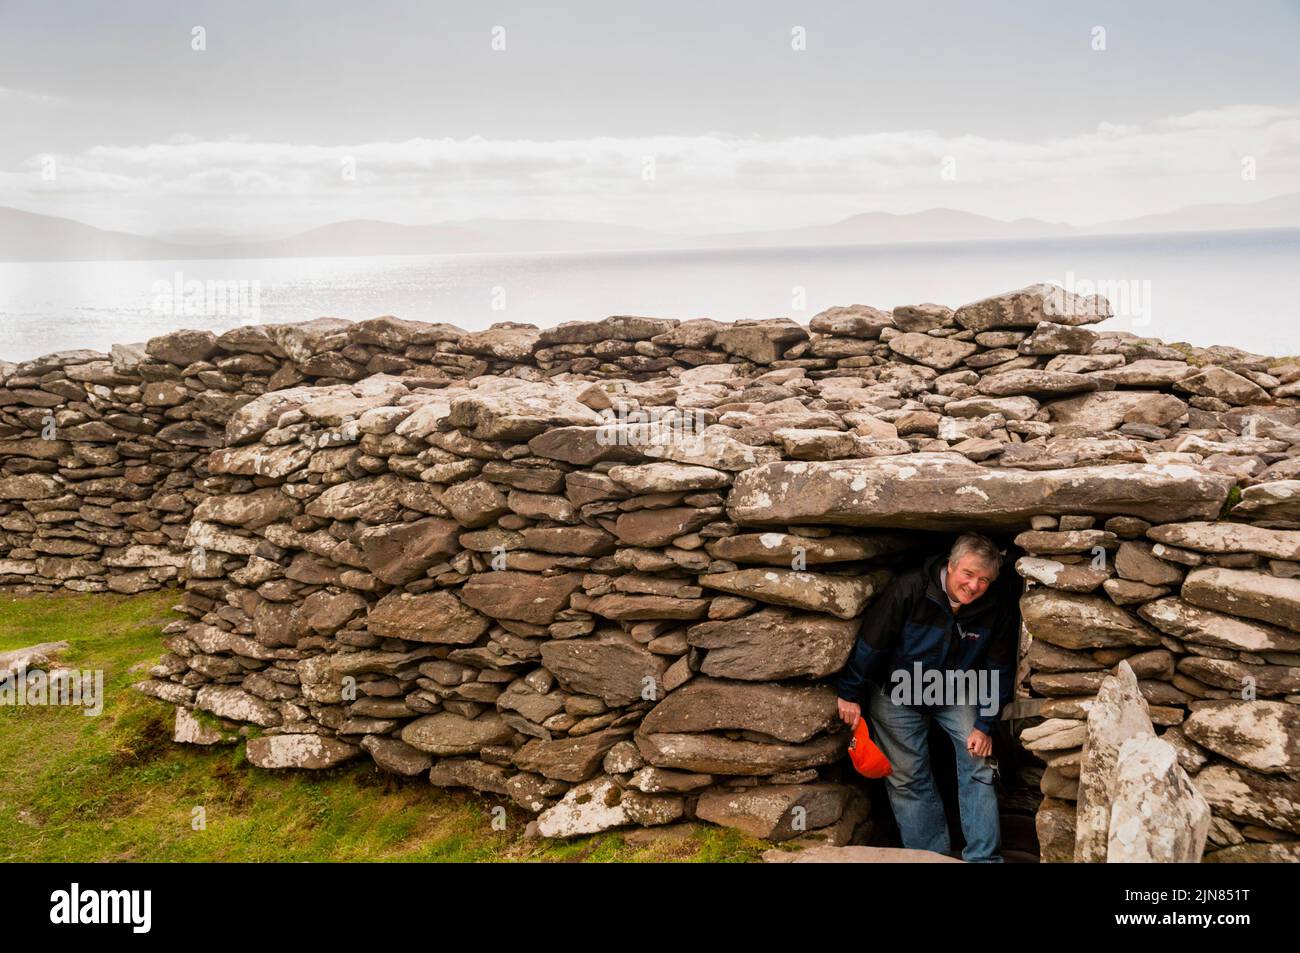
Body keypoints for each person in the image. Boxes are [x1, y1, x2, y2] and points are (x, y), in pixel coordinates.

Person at [834, 532, 1019, 862]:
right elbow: (873, 643)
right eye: (968, 573)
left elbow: (998, 667)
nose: (974, 586)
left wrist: (985, 724)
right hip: (896, 692)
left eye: (984, 580)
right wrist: (849, 691)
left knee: (979, 762)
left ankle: (984, 859)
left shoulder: (997, 606)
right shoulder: (910, 589)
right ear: (951, 566)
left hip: (956, 689)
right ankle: (932, 857)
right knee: (908, 779)